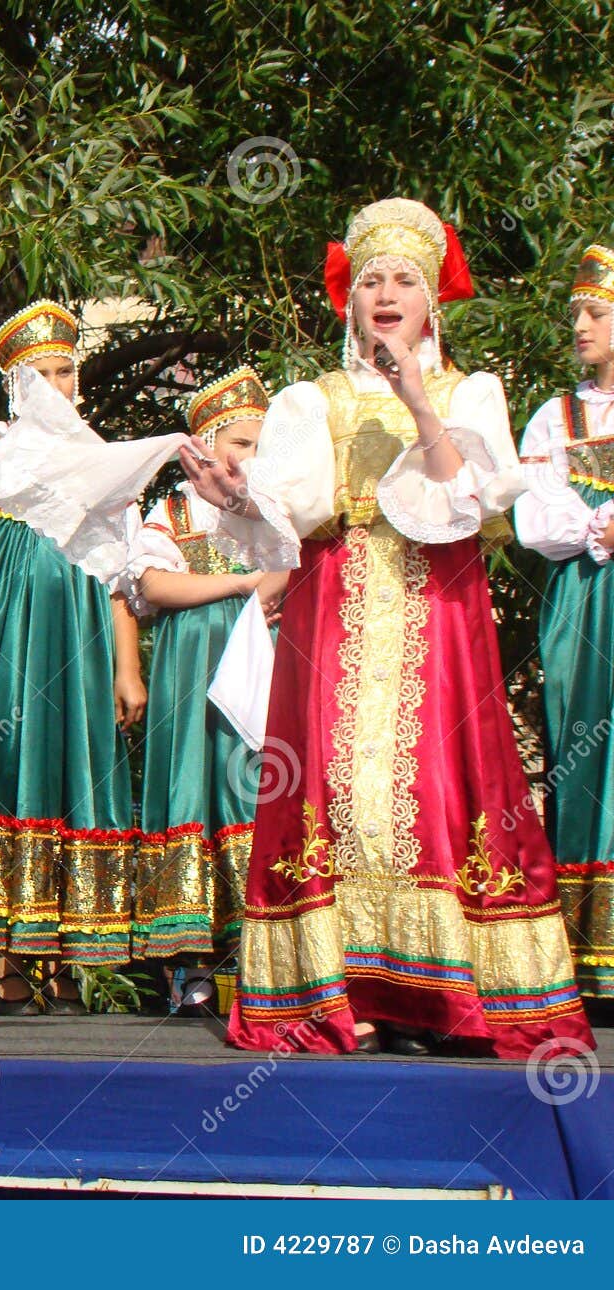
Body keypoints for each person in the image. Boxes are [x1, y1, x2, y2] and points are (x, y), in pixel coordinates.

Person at [185, 198, 592, 1057]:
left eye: (404, 278)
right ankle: (346, 990)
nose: (385, 291)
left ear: (430, 301)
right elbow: (294, 510)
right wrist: (241, 499)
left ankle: (440, 992)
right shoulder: (312, 398)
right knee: (334, 785)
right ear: (348, 301)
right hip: (337, 601)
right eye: (369, 278)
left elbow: (467, 502)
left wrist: (416, 399)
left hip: (437, 605)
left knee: (440, 784)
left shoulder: (468, 391)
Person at [0, 301, 149, 1014]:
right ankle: (5, 959)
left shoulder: (104, 465)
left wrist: (126, 667)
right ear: (15, 387)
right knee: (11, 772)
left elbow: (118, 579)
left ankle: (61, 959)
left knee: (70, 778)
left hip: (78, 652)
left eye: (65, 372)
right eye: (39, 375)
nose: (56, 386)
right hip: (7, 645)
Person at [127, 366, 285, 1012]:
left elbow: (292, 575)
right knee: (188, 779)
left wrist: (260, 589)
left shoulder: (268, 514)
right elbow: (154, 587)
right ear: (208, 444)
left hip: (253, 664)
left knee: (246, 785)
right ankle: (187, 961)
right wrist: (242, 586)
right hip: (191, 664)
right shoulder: (175, 510)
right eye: (241, 443)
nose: (251, 456)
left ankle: (256, 955)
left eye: (259, 445)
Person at [515, 242, 614, 1008]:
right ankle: (588, 950)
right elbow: (534, 511)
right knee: (582, 747)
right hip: (586, 596)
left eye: (596, 312)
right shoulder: (558, 414)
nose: (579, 324)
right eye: (576, 312)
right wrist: (596, 529)